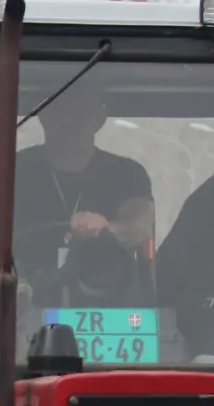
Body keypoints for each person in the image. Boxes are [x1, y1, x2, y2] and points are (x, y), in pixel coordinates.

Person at [9, 81, 156, 309]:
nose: (71, 120)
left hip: (113, 308)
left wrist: (105, 228)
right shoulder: (11, 169)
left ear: (100, 118)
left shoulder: (127, 173)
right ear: (43, 116)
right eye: (61, 109)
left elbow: (139, 227)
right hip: (24, 309)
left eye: (81, 110)